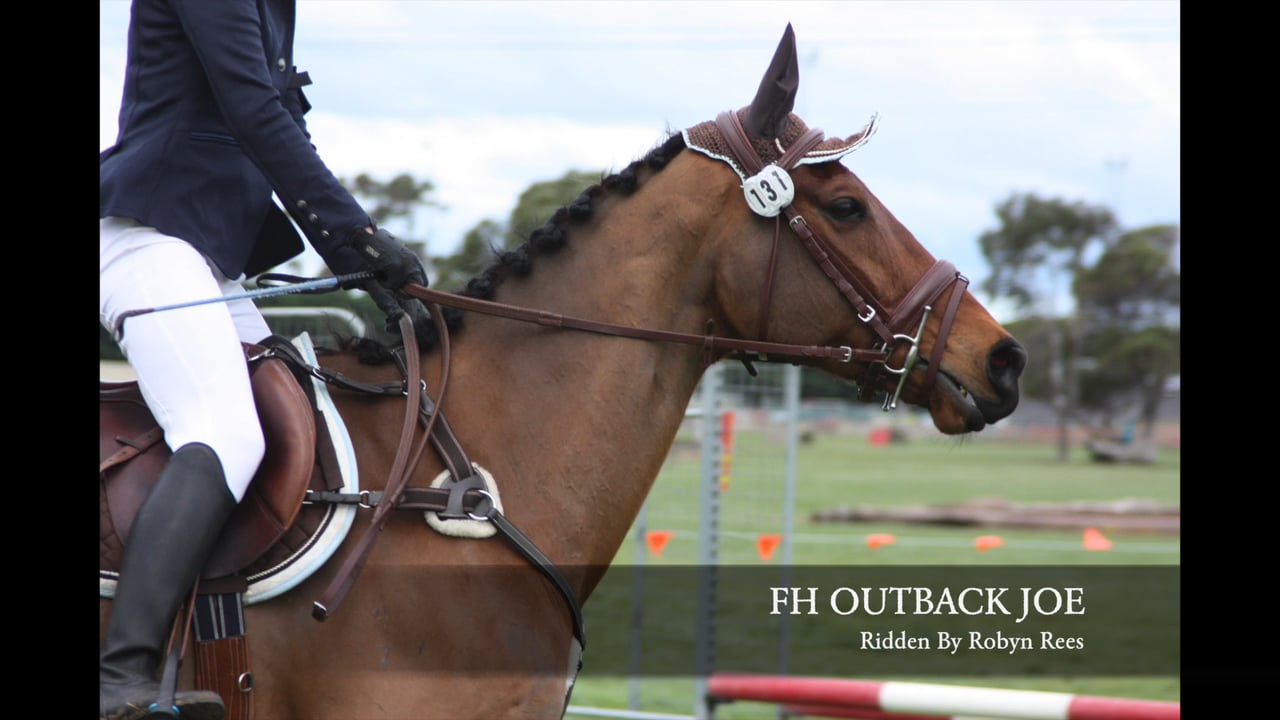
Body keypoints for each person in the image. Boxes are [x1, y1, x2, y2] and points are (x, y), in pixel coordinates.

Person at [98, 3, 429, 719]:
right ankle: (119, 675)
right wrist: (354, 240)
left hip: (209, 254)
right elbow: (253, 109)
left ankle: (243, 648)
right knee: (224, 432)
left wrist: (370, 261)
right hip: (151, 236)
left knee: (297, 414)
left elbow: (282, 118)